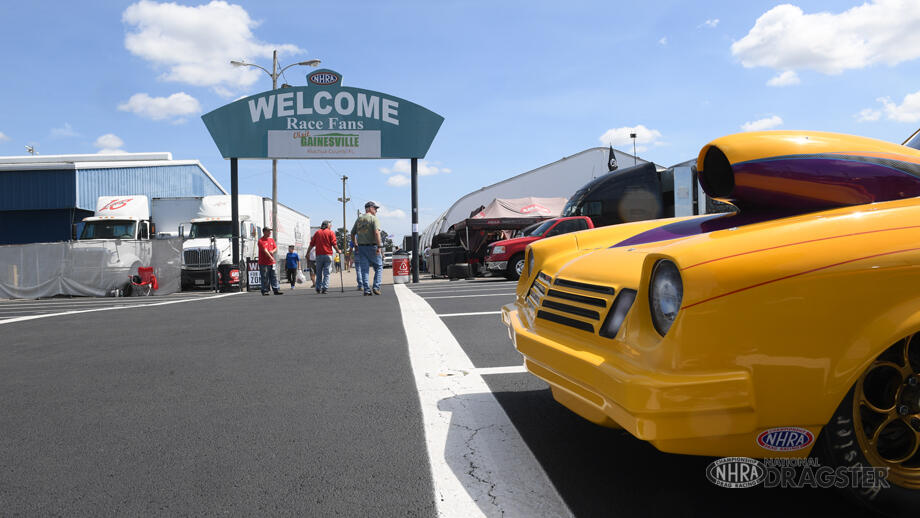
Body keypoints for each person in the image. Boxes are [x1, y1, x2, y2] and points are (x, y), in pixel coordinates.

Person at [353, 201, 383, 296]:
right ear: (370, 208)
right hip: (372, 246)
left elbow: (352, 233)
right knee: (379, 267)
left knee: (364, 269)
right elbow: (377, 233)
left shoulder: (359, 219)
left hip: (361, 247)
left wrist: (355, 244)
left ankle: (366, 290)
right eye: (375, 208)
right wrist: (379, 246)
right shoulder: (374, 219)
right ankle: (376, 286)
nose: (376, 211)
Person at [307, 220, 340, 294]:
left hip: (319, 256)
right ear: (327, 225)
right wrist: (338, 250)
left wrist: (307, 252)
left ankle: (318, 287)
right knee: (326, 273)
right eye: (330, 225)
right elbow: (334, 244)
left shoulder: (317, 233)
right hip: (328, 255)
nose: (331, 226)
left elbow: (311, 244)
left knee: (318, 273)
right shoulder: (330, 232)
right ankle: (325, 288)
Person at [257, 227, 282, 295]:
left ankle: (276, 289)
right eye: (268, 231)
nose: (270, 233)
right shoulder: (261, 241)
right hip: (264, 263)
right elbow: (265, 250)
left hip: (271, 262)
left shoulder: (271, 240)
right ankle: (265, 290)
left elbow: (275, 248)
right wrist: (271, 257)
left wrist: (272, 251)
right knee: (265, 277)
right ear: (264, 232)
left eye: (270, 231)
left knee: (274, 276)